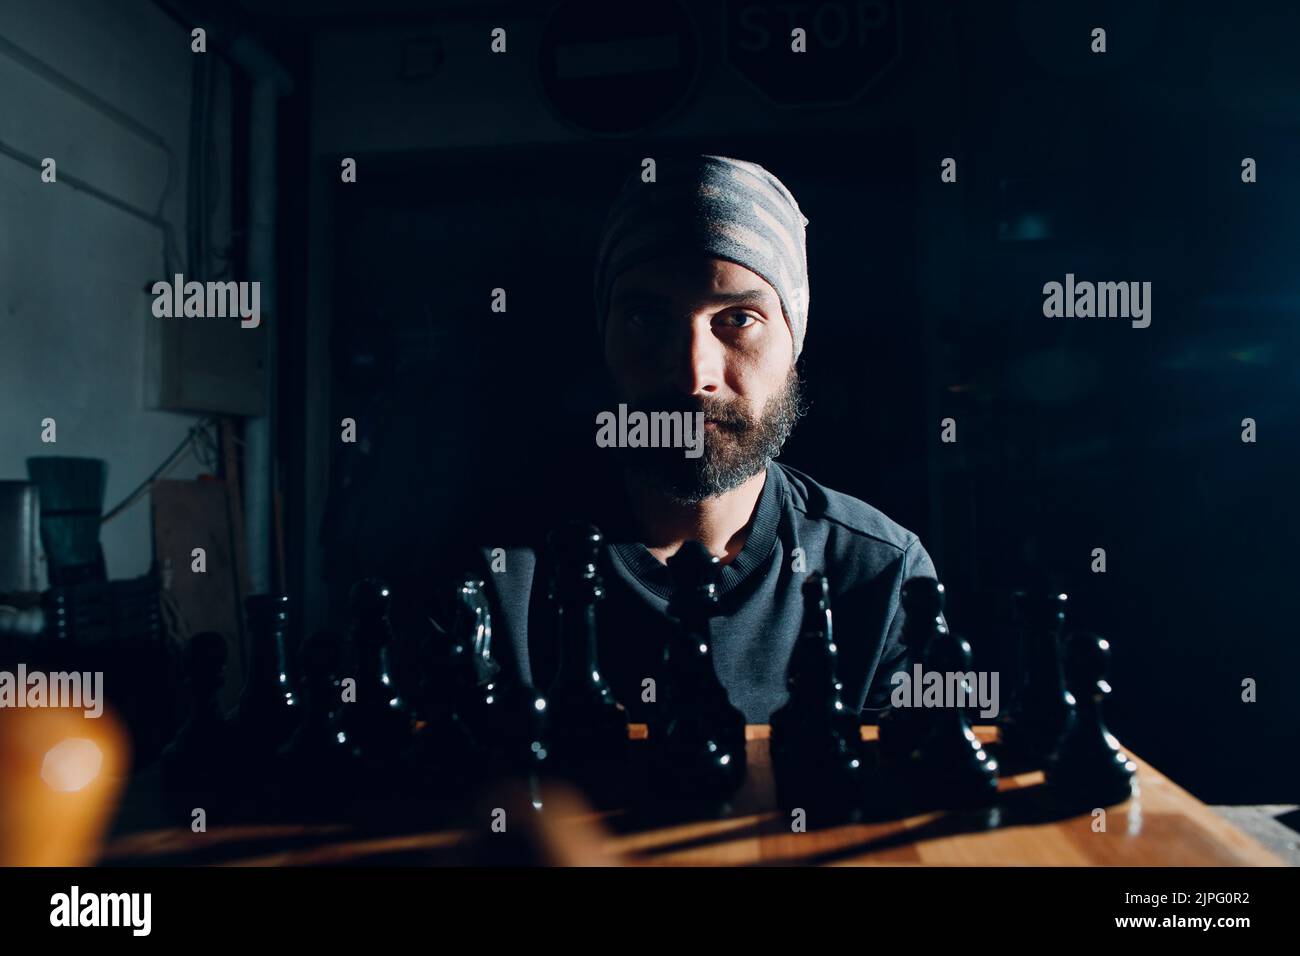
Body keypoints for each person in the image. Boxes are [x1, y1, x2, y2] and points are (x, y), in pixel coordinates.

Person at [467, 154, 938, 723]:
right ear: (605, 338)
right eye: (648, 319)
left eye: (738, 319)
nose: (694, 375)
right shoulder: (499, 571)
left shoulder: (878, 571)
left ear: (796, 338)